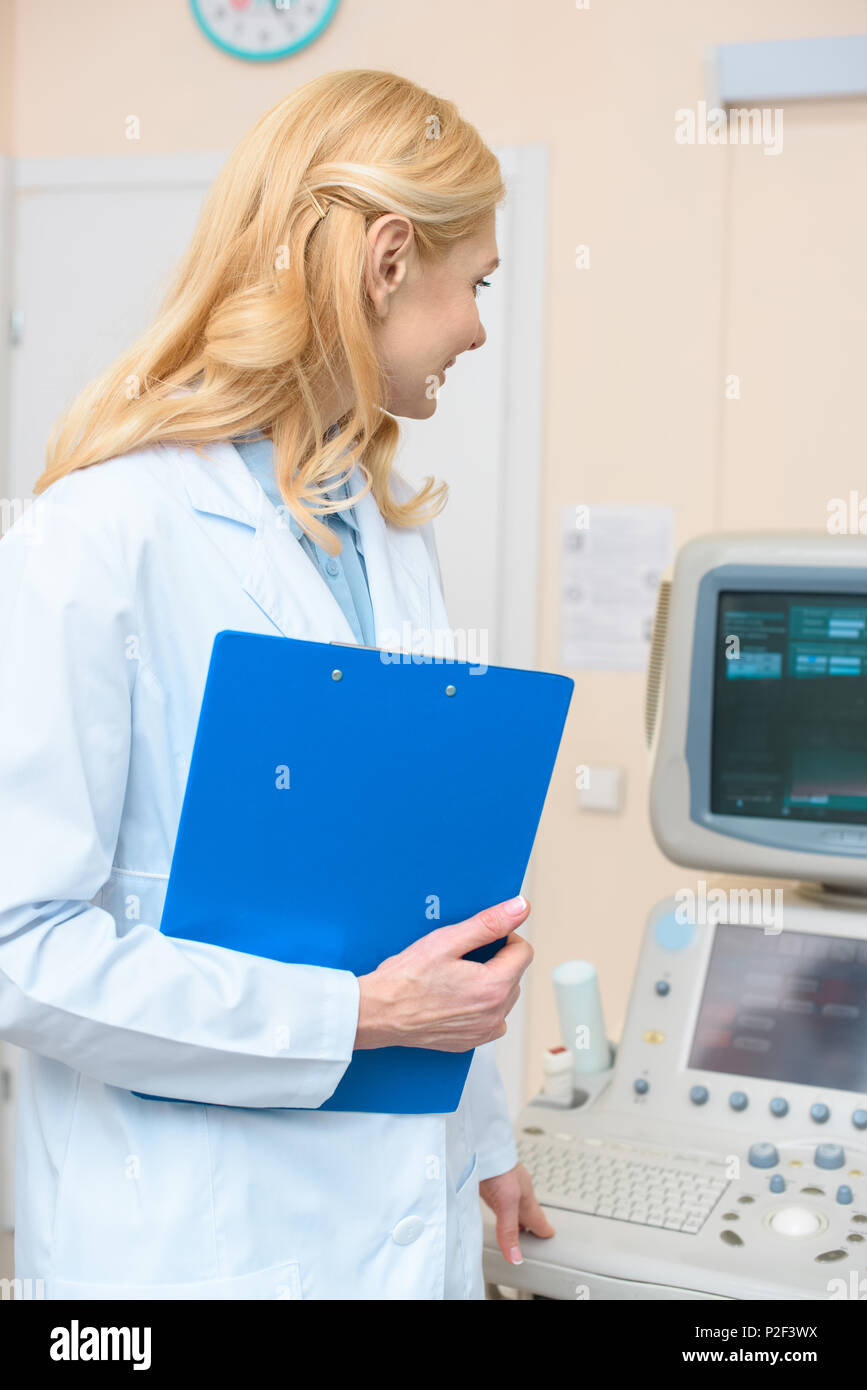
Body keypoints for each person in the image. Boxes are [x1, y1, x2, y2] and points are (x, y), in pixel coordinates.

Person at [0, 68, 554, 1301]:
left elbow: (417, 908)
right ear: (389, 259)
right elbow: (18, 945)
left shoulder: (388, 538)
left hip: (397, 1222)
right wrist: (350, 1020)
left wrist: (482, 1141)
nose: (475, 326)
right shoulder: (100, 535)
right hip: (191, 1248)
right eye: (477, 283)